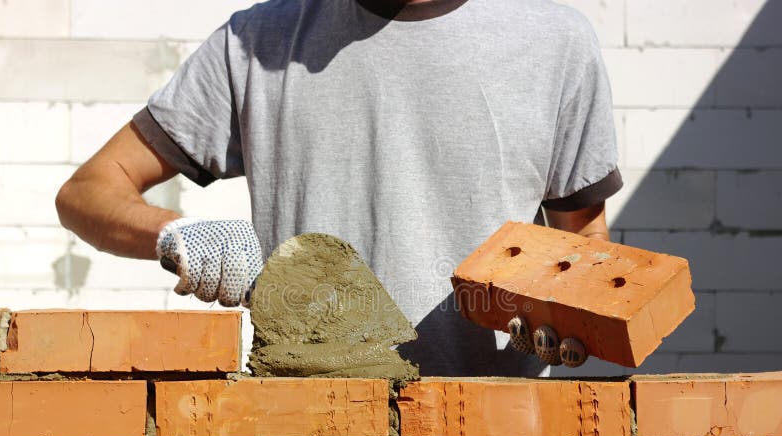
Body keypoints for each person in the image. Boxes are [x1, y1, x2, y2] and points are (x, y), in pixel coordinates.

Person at [55, 0, 622, 377]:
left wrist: (571, 311)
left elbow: (585, 239)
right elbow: (88, 191)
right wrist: (176, 236)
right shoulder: (258, 42)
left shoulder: (555, 42)